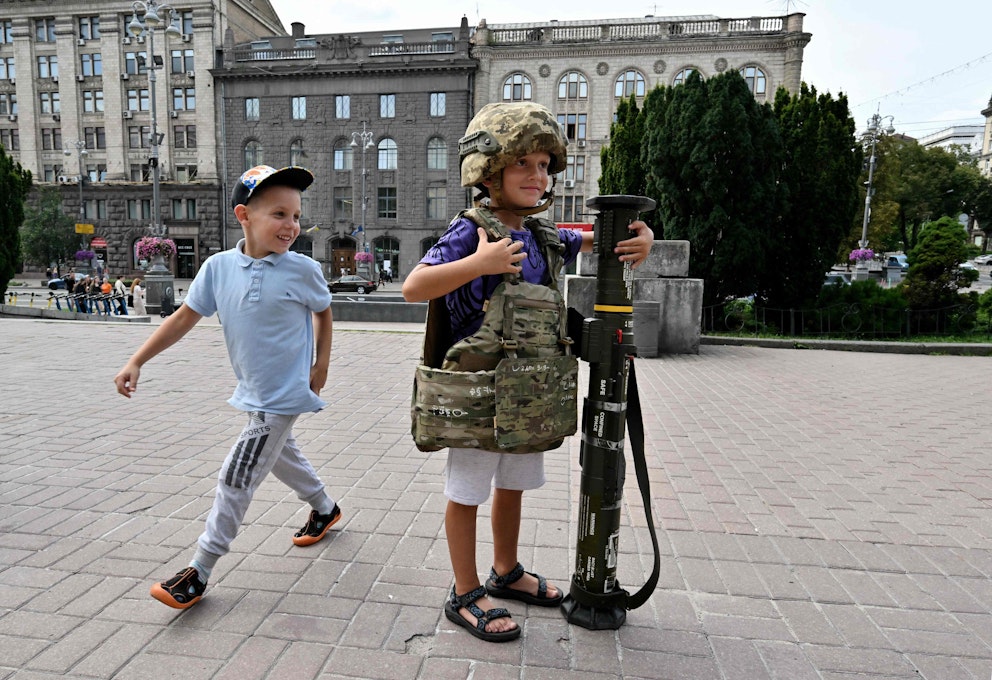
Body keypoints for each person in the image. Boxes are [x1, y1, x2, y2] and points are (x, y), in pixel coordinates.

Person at [402, 102, 654, 642]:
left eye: (543, 165)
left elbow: (592, 239)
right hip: (479, 392)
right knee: (467, 489)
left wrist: (640, 239)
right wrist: (477, 264)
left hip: (528, 394)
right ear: (487, 172)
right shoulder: (471, 231)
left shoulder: (541, 235)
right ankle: (465, 591)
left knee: (514, 483)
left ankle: (506, 570)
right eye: (524, 164)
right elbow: (414, 286)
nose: (538, 176)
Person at [113, 164, 341, 609]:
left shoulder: (303, 269)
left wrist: (322, 363)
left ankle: (199, 571)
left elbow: (324, 311)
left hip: (284, 393)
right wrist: (137, 359)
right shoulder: (218, 268)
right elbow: (183, 318)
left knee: (238, 474)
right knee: (278, 454)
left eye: (295, 216)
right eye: (279, 214)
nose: (291, 225)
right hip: (254, 390)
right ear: (244, 215)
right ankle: (326, 508)